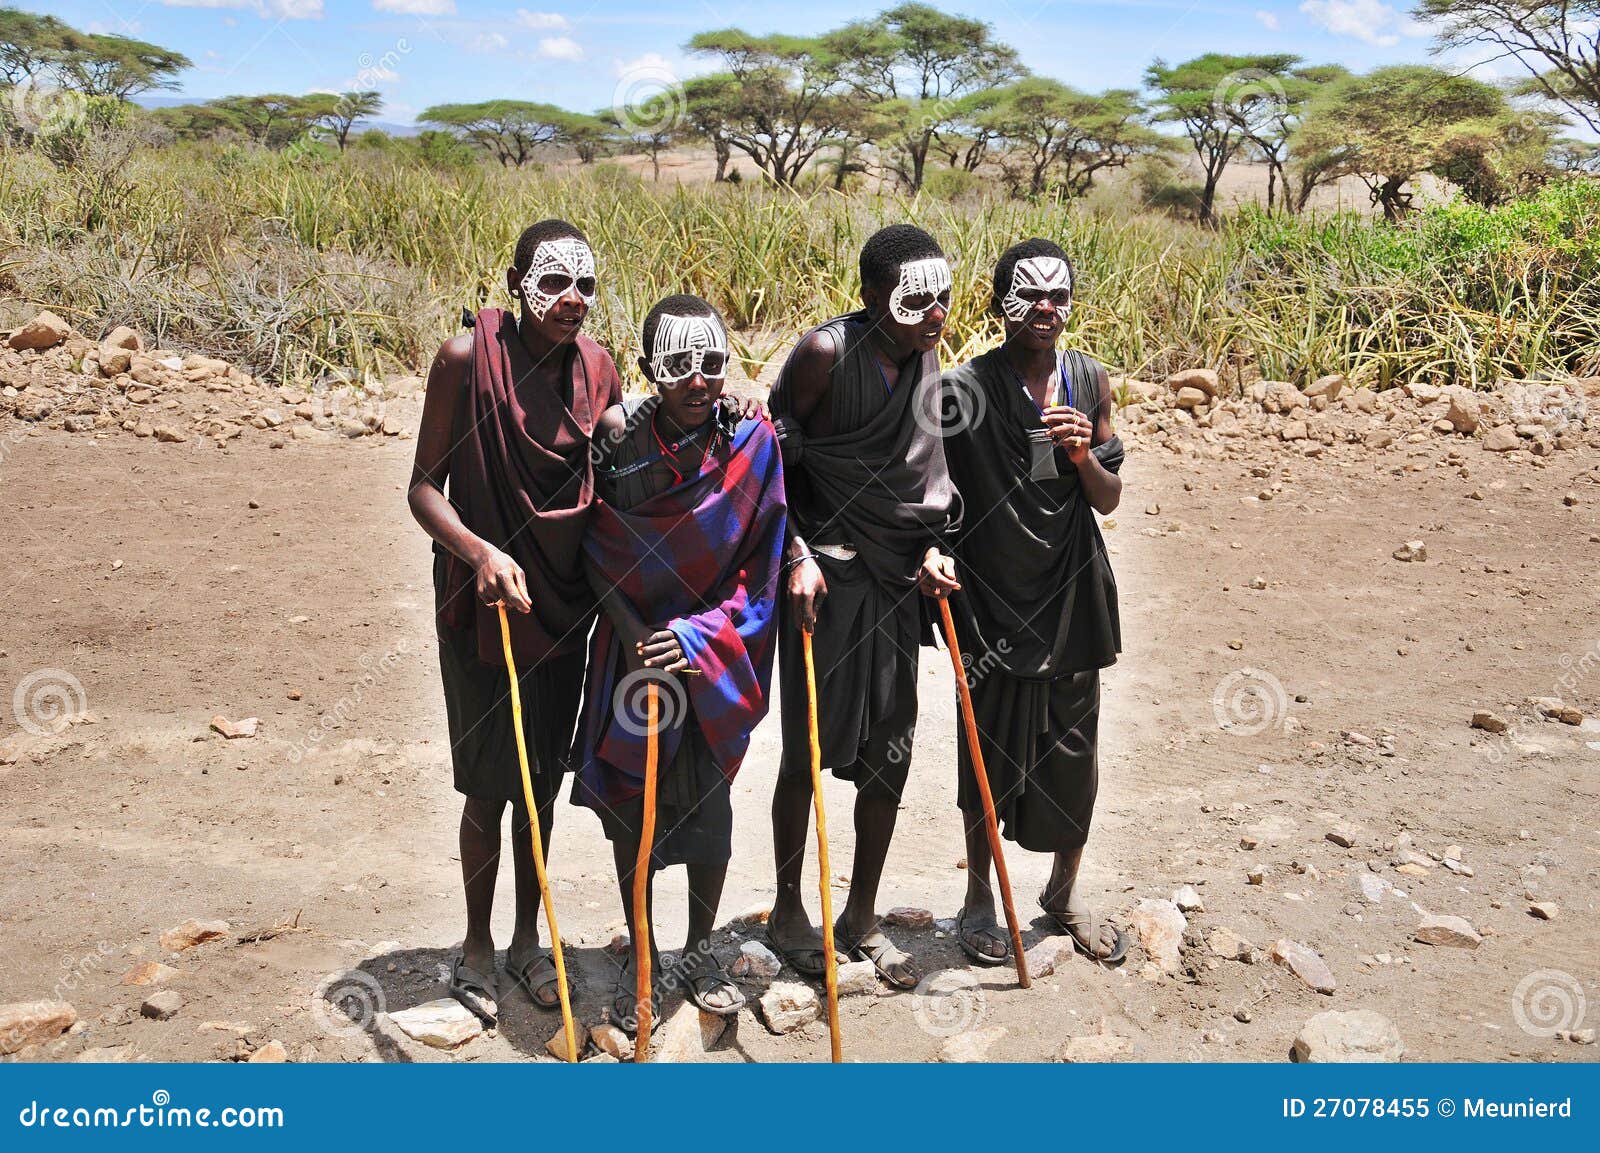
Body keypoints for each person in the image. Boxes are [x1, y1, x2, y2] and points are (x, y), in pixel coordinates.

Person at [408, 219, 622, 1025]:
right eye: (554, 282)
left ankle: (529, 938)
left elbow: (618, 460)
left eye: (586, 285)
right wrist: (480, 552)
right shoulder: (466, 360)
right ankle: (473, 942)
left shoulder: (597, 368)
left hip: (564, 603)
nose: (572, 299)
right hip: (484, 601)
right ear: (514, 284)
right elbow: (423, 488)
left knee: (540, 781)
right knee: (487, 783)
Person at [575, 294, 786, 1029]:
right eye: (677, 367)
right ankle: (644, 950)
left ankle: (700, 949)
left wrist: (699, 637)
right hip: (632, 654)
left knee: (710, 812)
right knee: (633, 807)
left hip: (710, 659)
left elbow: (763, 555)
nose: (698, 382)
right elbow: (593, 548)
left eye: (712, 364)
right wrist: (635, 630)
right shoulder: (618, 446)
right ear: (647, 372)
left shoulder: (750, 441)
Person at [765, 224, 961, 990]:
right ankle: (788, 908)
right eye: (917, 300)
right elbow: (773, 460)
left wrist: (939, 546)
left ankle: (863, 914)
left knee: (891, 747)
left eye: (945, 298)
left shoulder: (925, 356)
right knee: (805, 748)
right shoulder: (825, 355)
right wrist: (797, 556)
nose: (935, 312)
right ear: (872, 297)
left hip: (894, 579)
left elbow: (926, 478)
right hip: (821, 580)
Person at [939, 237, 1128, 966]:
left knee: (1074, 753)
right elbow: (935, 492)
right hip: (991, 599)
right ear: (999, 303)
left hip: (1072, 593)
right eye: (1030, 294)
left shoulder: (1089, 380)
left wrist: (1083, 455)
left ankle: (1064, 890)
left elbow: (1108, 499)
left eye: (1058, 294)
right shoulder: (965, 390)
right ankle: (980, 895)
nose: (1045, 308)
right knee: (985, 750)